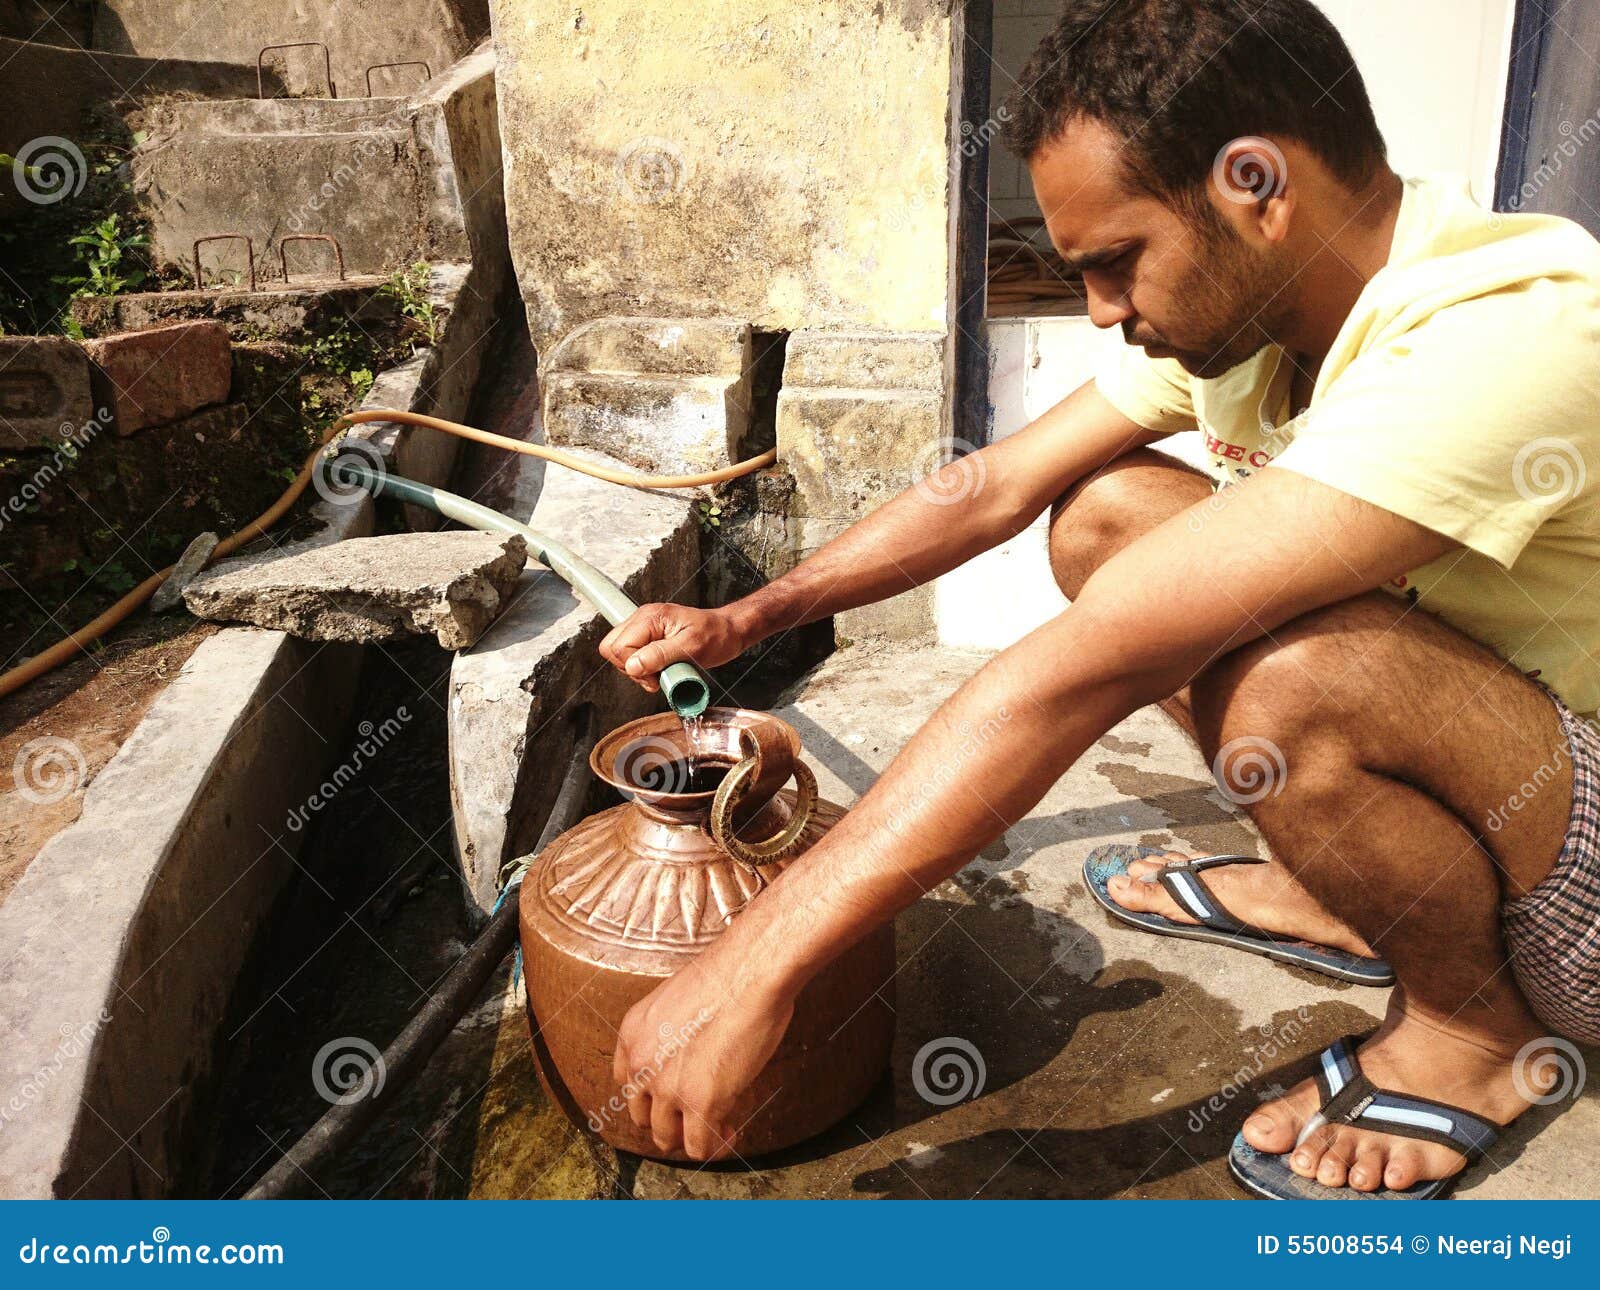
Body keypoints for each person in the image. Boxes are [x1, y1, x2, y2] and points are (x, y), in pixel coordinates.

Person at [597, 0, 1600, 1199]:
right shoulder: (1270, 310)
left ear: (1257, 186)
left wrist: (751, 964)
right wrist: (751, 618)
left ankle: (1471, 1031)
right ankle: (1352, 889)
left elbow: (1096, 662)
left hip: (1580, 885)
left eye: (1116, 260)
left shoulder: (1510, 334)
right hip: (1483, 764)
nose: (1101, 310)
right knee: (1107, 518)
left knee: (1289, 684)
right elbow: (993, 488)